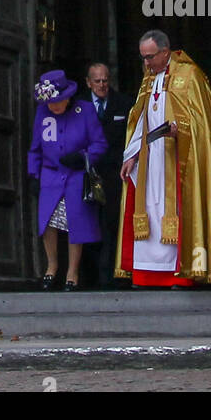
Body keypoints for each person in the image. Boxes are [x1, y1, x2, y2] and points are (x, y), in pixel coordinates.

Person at [116, 29, 211, 286]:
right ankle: (146, 274)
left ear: (165, 52)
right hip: (151, 161)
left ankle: (183, 272)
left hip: (179, 161)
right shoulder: (148, 79)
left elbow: (203, 123)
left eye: (150, 57)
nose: (146, 63)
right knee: (150, 215)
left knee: (174, 212)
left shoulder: (190, 75)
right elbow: (140, 118)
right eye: (143, 58)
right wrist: (131, 154)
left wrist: (182, 130)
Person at [27, 69, 107, 291]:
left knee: (75, 222)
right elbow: (34, 148)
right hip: (50, 175)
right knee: (48, 222)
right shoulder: (42, 113)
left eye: (57, 101)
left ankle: (72, 272)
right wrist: (33, 175)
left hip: (76, 176)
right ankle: (51, 267)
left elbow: (100, 144)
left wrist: (83, 157)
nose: (53, 106)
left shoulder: (86, 111)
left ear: (68, 96)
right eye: (50, 102)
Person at [84, 61, 130, 288]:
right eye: (97, 81)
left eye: (105, 80)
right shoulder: (79, 106)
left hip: (114, 174)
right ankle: (88, 277)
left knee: (112, 224)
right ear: (88, 82)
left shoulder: (124, 103)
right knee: (88, 225)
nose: (102, 85)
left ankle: (112, 275)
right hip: (86, 174)